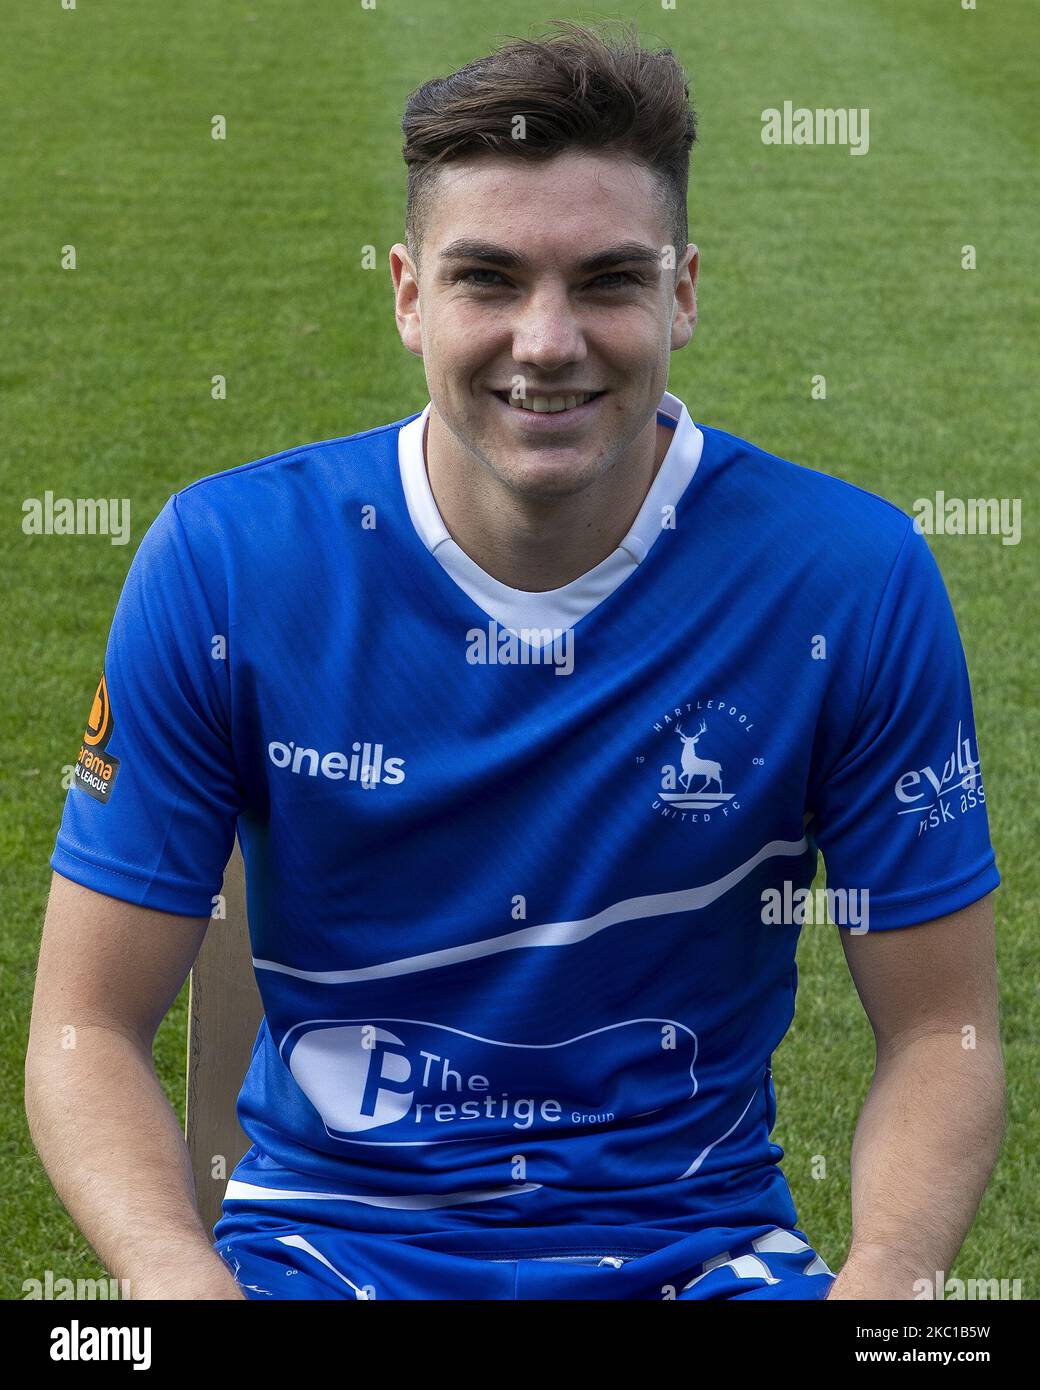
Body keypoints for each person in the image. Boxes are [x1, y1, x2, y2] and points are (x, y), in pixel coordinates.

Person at [26, 20, 1004, 1301]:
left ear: (683, 292)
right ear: (405, 294)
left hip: (700, 1257)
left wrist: (885, 1280)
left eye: (605, 280)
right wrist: (174, 1281)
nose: (546, 342)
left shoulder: (847, 577)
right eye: (488, 279)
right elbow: (84, 1025)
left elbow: (941, 1027)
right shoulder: (226, 561)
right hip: (323, 1249)